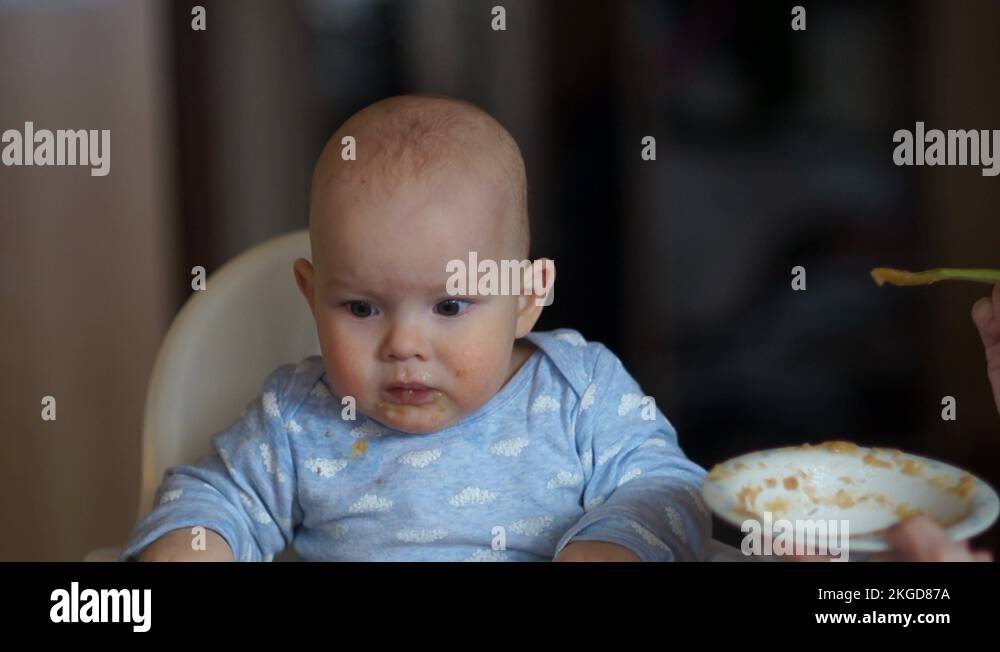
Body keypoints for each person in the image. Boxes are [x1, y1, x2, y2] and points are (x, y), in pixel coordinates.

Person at [121, 95, 710, 562]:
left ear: (529, 297)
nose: (403, 345)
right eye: (360, 308)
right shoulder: (298, 421)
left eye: (450, 307)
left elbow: (668, 486)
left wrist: (616, 542)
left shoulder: (579, 396)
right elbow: (219, 493)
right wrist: (195, 542)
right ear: (312, 295)